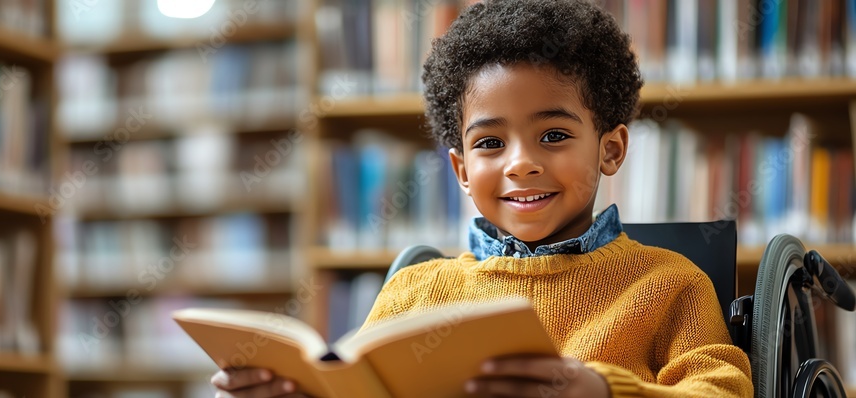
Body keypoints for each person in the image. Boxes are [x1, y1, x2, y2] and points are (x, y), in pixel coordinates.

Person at [211, 0, 753, 396]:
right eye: (490, 143)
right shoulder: (416, 291)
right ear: (462, 171)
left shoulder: (670, 285)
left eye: (554, 135)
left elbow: (721, 391)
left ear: (610, 150)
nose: (520, 163)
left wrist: (605, 392)